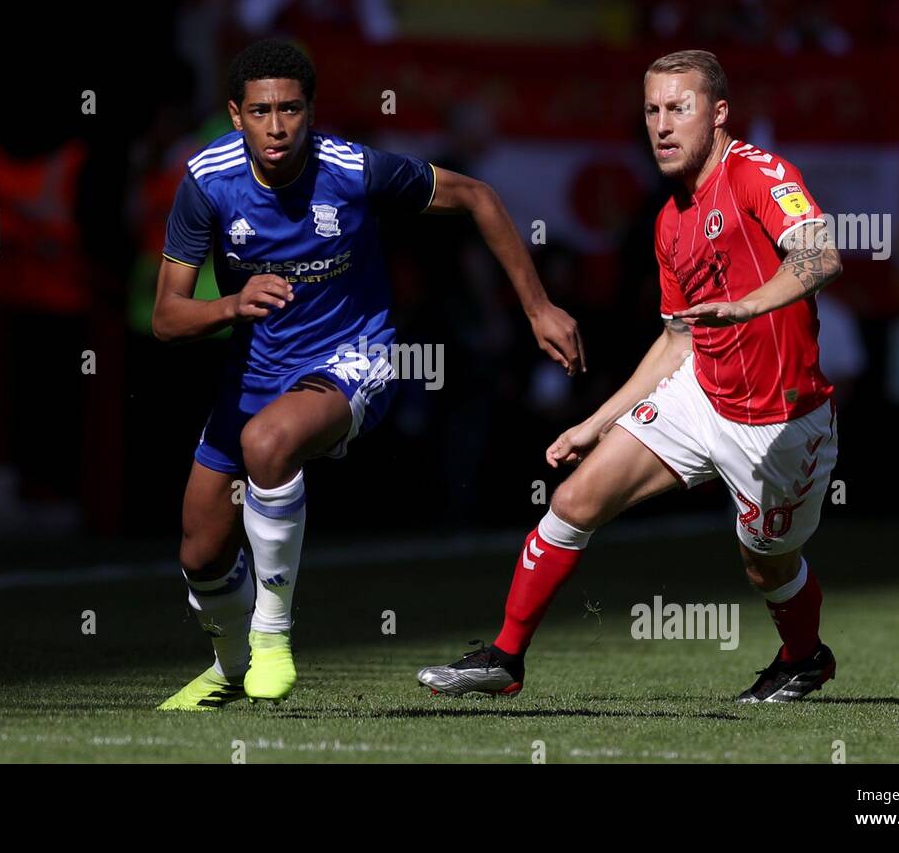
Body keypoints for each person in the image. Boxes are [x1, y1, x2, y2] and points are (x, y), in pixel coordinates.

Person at [153, 39, 583, 709]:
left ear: (311, 110)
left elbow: (476, 196)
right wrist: (232, 304)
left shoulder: (354, 169)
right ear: (236, 115)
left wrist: (537, 307)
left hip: (356, 356)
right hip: (256, 369)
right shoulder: (207, 181)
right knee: (200, 553)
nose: (277, 126)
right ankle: (230, 669)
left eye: (291, 109)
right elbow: (166, 318)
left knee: (267, 443)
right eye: (261, 111)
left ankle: (272, 634)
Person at [417, 50, 843, 704]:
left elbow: (821, 254)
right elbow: (676, 341)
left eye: (679, 108)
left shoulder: (759, 173)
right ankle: (504, 659)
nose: (662, 125)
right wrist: (595, 423)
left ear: (719, 113)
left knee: (766, 565)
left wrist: (748, 305)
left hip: (781, 423)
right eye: (652, 110)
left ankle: (804, 658)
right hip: (702, 392)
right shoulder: (670, 219)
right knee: (573, 503)